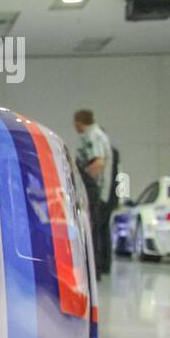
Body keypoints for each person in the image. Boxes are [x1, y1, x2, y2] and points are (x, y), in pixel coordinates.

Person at [74, 109, 114, 275]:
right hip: (100, 190)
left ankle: (94, 268)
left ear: (79, 122)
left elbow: (98, 162)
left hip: (95, 189)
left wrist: (84, 181)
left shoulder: (93, 135)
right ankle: (99, 266)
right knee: (99, 229)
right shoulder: (98, 134)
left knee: (93, 228)